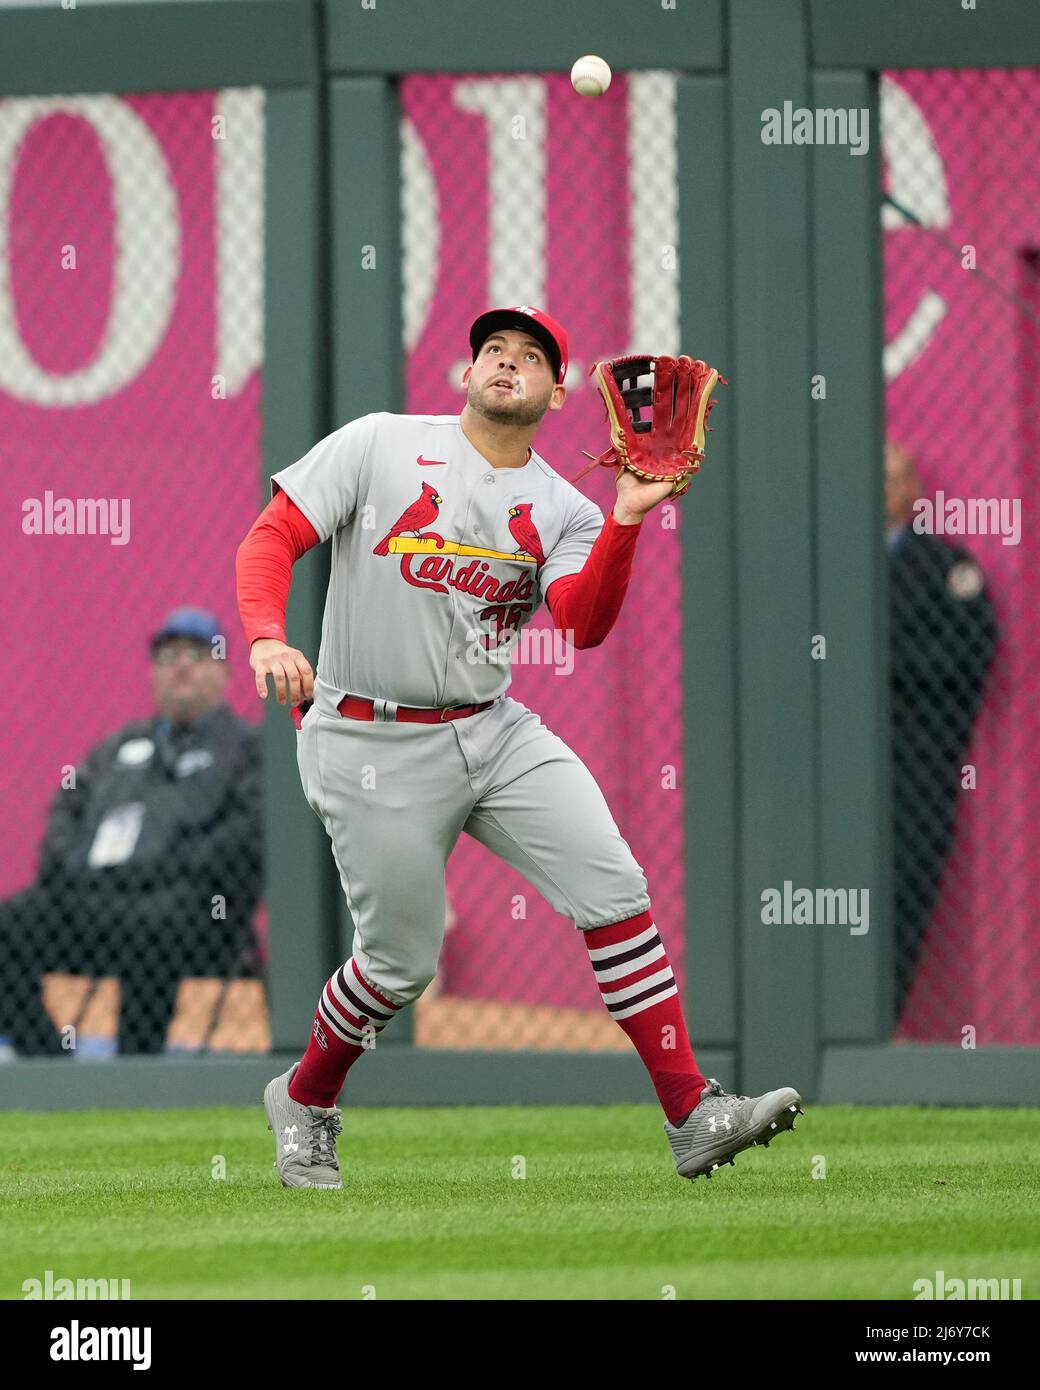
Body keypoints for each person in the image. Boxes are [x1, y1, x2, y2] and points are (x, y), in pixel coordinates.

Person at [237, 305, 802, 1189]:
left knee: (613, 885)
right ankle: (306, 1102)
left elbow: (583, 624)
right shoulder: (381, 444)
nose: (507, 363)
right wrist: (269, 635)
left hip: (491, 729)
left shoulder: (565, 507)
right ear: (465, 375)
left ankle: (693, 1116)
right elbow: (275, 535)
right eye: (492, 351)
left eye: (530, 356)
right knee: (398, 965)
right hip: (366, 735)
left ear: (557, 391)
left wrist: (625, 519)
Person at [0, 608, 263, 1056]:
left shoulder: (247, 748)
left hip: (187, 911)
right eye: (167, 656)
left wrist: (160, 873)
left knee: (151, 928)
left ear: (223, 672)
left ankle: (137, 1072)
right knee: (9, 923)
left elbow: (243, 835)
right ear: (152, 675)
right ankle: (49, 1064)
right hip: (90, 900)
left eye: (195, 654)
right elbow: (66, 811)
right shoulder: (118, 748)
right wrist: (71, 870)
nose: (179, 665)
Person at [885, 442, 999, 1022]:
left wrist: (886, 665)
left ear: (913, 491)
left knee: (906, 887)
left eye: (896, 477)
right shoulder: (827, 565)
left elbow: (971, 653)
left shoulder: (944, 566)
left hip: (917, 766)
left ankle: (882, 1021)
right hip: (842, 771)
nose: (884, 487)